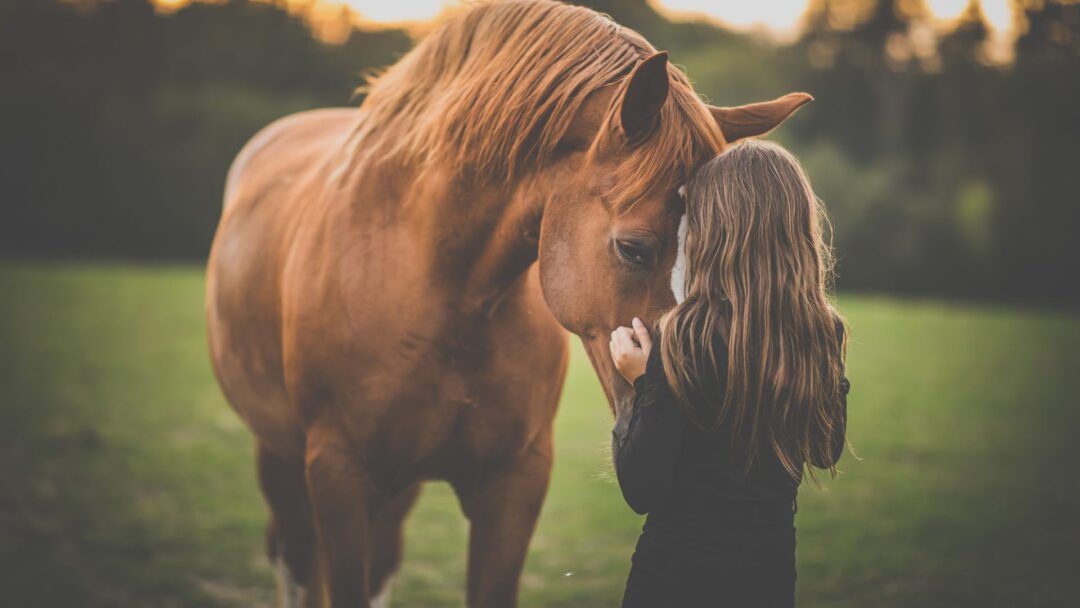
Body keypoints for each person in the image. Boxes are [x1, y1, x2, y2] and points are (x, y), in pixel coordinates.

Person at [608, 140, 851, 608]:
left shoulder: (682, 337)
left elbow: (641, 488)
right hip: (769, 580)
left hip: (672, 581)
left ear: (713, 231)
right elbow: (825, 450)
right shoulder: (821, 332)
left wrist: (643, 383)